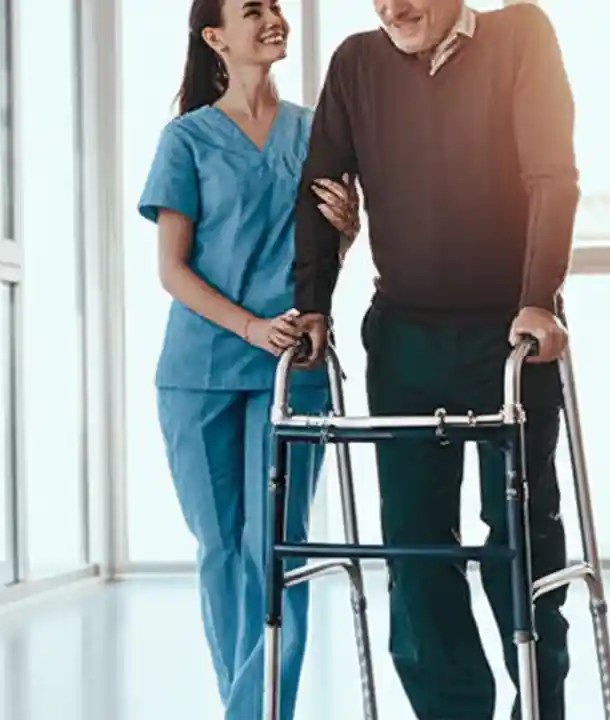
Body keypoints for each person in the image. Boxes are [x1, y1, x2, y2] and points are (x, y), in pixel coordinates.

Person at [291, 1, 579, 718]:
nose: (393, 7)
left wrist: (538, 298)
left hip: (508, 336)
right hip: (405, 340)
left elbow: (552, 176)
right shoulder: (357, 63)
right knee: (415, 547)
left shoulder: (519, 36)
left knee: (520, 530)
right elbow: (322, 187)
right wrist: (313, 303)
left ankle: (539, 705)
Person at [136, 1, 361, 718]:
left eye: (276, 6)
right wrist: (249, 326)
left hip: (291, 370)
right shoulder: (186, 139)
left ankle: (258, 712)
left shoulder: (316, 131)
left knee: (280, 551)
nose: (274, 18)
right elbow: (172, 270)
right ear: (216, 37)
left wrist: (347, 234)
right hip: (199, 371)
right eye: (252, 10)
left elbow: (315, 254)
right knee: (223, 552)